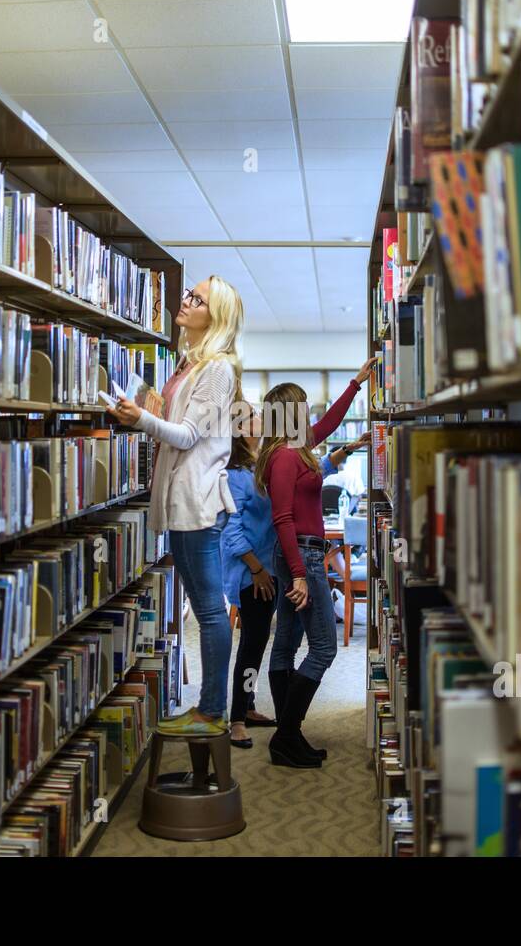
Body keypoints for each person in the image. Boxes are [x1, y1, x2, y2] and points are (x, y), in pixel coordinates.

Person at [108, 276, 244, 736]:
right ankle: (210, 707)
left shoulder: (218, 369)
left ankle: (212, 710)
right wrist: (144, 407)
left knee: (209, 609)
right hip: (183, 501)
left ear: (216, 316)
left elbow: (187, 435)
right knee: (205, 605)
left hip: (197, 504)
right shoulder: (190, 364)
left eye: (196, 299)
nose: (185, 302)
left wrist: (141, 418)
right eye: (188, 295)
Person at [255, 356, 380, 767]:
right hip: (301, 557)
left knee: (288, 644)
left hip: (301, 554)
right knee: (324, 647)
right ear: (289, 413)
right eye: (303, 405)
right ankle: (287, 734)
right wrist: (299, 574)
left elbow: (328, 426)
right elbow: (283, 518)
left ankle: (287, 737)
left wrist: (356, 383)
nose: (309, 411)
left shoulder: (295, 449)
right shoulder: (286, 458)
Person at [222, 416, 280, 749]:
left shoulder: (261, 467)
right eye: (253, 418)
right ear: (241, 433)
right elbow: (231, 532)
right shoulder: (235, 477)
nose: (260, 419)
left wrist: (340, 454)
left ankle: (250, 705)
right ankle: (238, 719)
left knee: (257, 641)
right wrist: (256, 569)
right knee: (253, 644)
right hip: (251, 573)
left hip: (266, 569)